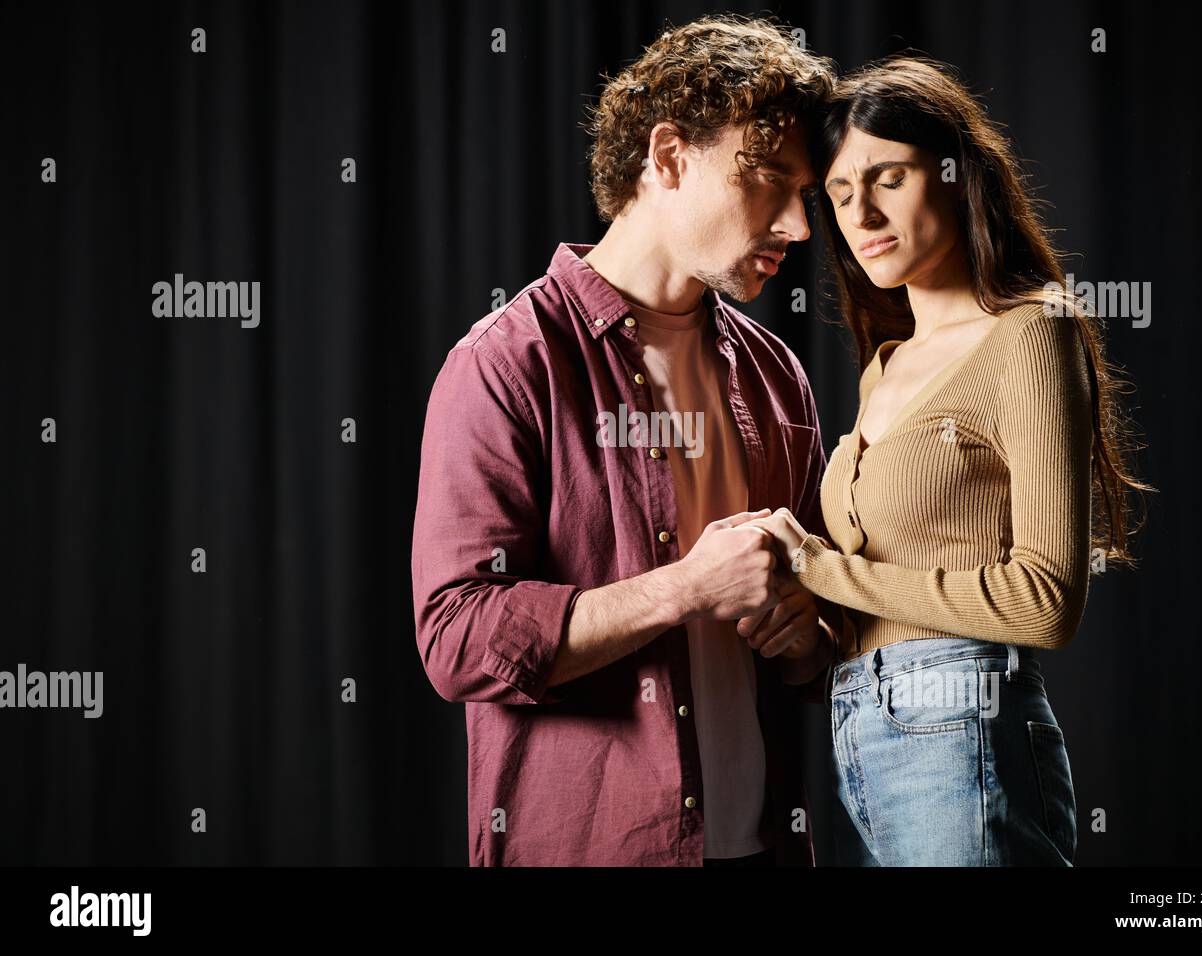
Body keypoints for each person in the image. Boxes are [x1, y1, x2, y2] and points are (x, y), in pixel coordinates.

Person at [411, 15, 840, 866]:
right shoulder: (507, 363)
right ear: (670, 156)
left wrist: (808, 636)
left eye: (810, 194)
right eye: (767, 180)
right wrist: (684, 587)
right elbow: (456, 639)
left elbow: (821, 636)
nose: (797, 223)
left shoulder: (776, 373)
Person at [746, 54, 1154, 865]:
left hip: (961, 722)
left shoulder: (1031, 332)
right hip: (859, 729)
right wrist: (810, 622)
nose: (861, 211)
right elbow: (889, 592)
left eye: (887, 176)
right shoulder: (885, 363)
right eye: (837, 192)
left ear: (954, 173)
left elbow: (1044, 601)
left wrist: (820, 568)